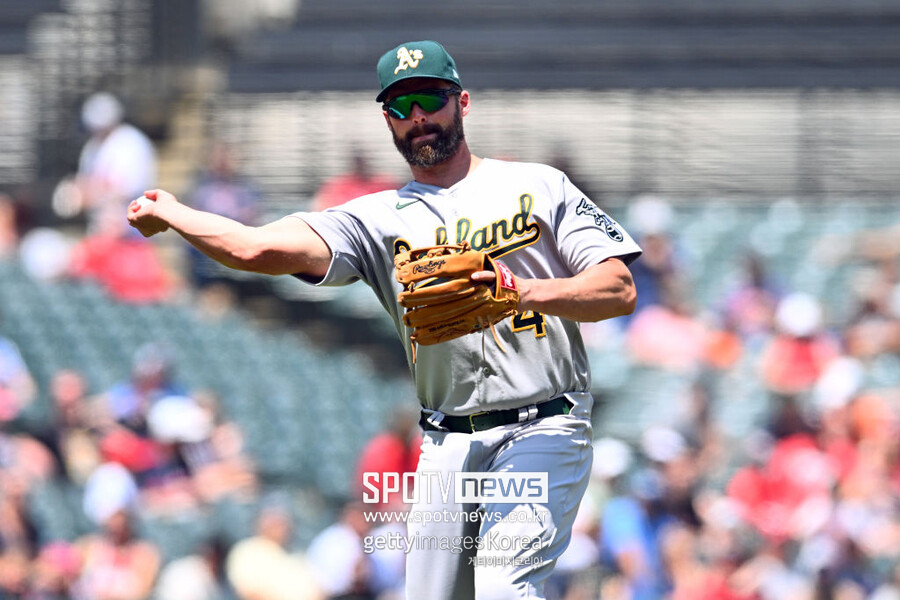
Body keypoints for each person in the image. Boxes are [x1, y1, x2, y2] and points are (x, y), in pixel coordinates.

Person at [128, 40, 641, 600]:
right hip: (447, 439)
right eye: (401, 106)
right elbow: (255, 249)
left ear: (462, 102)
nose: (418, 116)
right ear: (387, 121)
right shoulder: (375, 219)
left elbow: (618, 288)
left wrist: (521, 291)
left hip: (546, 421)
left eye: (429, 98)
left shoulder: (538, 185)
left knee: (500, 587)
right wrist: (174, 213)